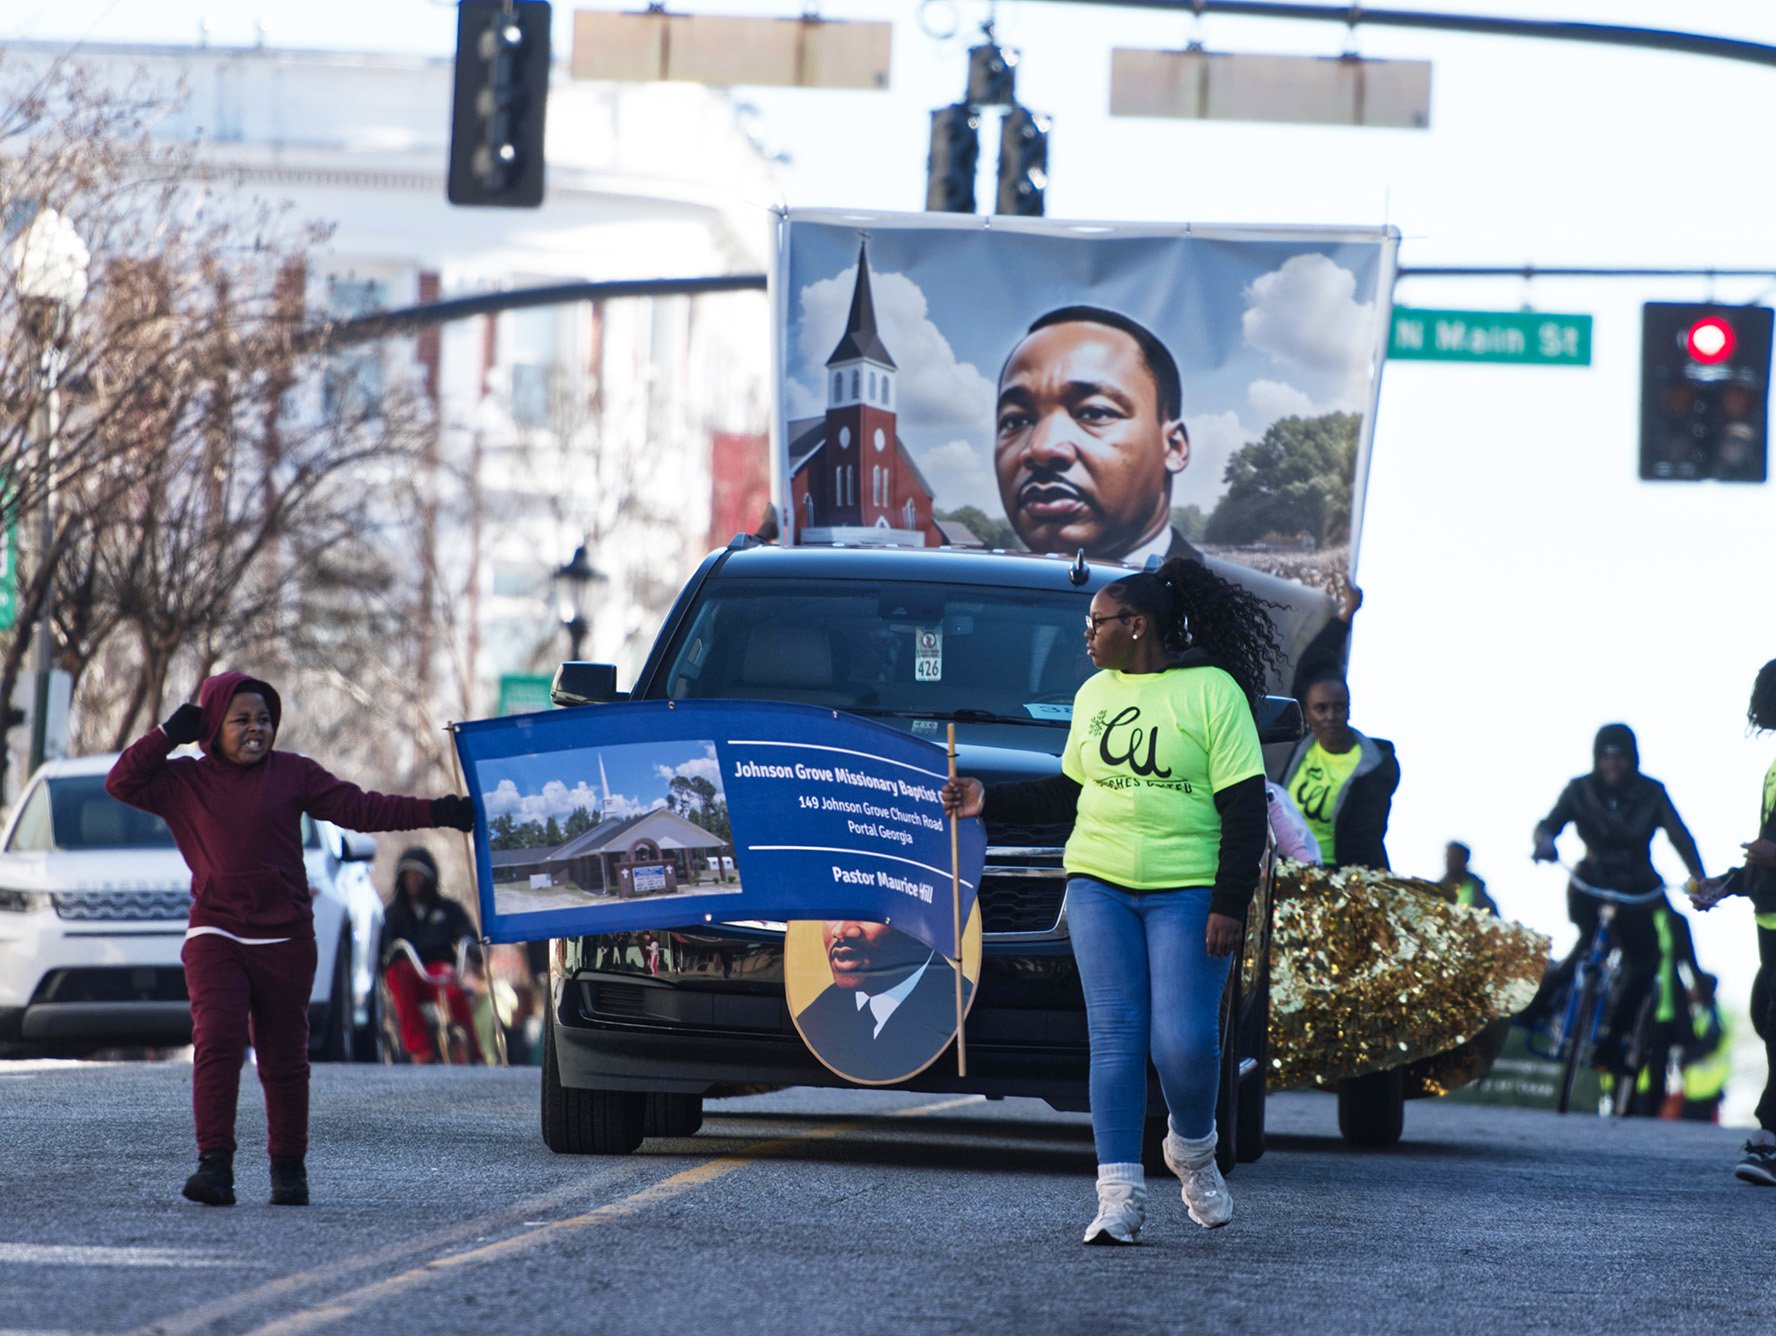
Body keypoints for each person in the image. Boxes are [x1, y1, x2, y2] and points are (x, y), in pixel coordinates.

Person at [943, 556, 1278, 1245]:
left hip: (1188, 887)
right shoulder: (1096, 694)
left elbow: (1246, 812)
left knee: (1182, 1043)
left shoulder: (1214, 693)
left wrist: (1229, 904)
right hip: (1098, 882)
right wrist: (988, 800)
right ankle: (1118, 1195)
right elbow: (1072, 788)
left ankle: (1192, 1147)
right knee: (1116, 1039)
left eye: (1096, 623)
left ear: (1137, 625)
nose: (1086, 635)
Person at [105, 673, 476, 1208]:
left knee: (283, 1058)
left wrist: (436, 812)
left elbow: (361, 808)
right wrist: (167, 733)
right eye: (242, 720)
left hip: (285, 937)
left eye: (264, 719)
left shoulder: (293, 774)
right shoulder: (185, 782)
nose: (256, 729)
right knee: (218, 1042)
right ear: (213, 725)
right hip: (217, 932)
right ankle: (215, 1166)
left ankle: (288, 1168)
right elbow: (121, 781)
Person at [990, 305, 1342, 690]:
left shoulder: (1291, 621)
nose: (1042, 447)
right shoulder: (975, 604)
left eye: (1094, 412)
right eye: (1016, 420)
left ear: (1173, 445)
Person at [1531, 723, 1706, 1077]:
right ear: (1597, 759)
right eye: (1607, 757)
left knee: (1645, 961)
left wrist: (1699, 877)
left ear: (1633, 760)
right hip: (1589, 883)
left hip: (1637, 889)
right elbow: (1549, 824)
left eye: (1621, 757)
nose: (1614, 765)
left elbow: (1679, 835)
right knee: (1585, 943)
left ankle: (1614, 1041)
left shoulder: (1653, 793)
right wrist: (1544, 843)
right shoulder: (1578, 789)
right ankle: (1538, 1006)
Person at [1689, 659, 1776, 1182]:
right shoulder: (1774, 768)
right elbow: (1764, 857)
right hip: (1769, 922)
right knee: (1765, 1017)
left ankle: (1770, 1137)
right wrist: (1723, 884)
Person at [792, 920, 974, 1084]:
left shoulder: (957, 1004)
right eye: (834, 911)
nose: (840, 931)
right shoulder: (817, 1014)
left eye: (871, 915)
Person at [1280, 675, 1399, 871]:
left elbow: (1365, 841)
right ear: (1306, 713)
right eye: (1321, 708)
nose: (1331, 716)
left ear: (1349, 709)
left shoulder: (1373, 768)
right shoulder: (1298, 748)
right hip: (1286, 868)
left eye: (1339, 707)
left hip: (1336, 878)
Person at [379, 846, 484, 1064]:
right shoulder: (394, 914)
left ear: (429, 877)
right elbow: (387, 948)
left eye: (418, 874)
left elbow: (466, 932)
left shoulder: (448, 909)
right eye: (408, 875)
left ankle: (470, 1051)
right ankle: (420, 1049)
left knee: (454, 989)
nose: (413, 880)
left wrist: (472, 947)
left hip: (438, 969)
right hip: (410, 973)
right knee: (397, 974)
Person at [1677, 971, 1731, 1124]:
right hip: (1699, 1087)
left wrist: (1686, 1058)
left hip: (1705, 1087)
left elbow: (1711, 1043)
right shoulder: (1709, 1013)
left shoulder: (1713, 1014)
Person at [1438, 841, 1498, 915]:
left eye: (1455, 856)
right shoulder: (1440, 888)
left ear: (1464, 860)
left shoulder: (1476, 888)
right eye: (1448, 856)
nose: (1450, 860)